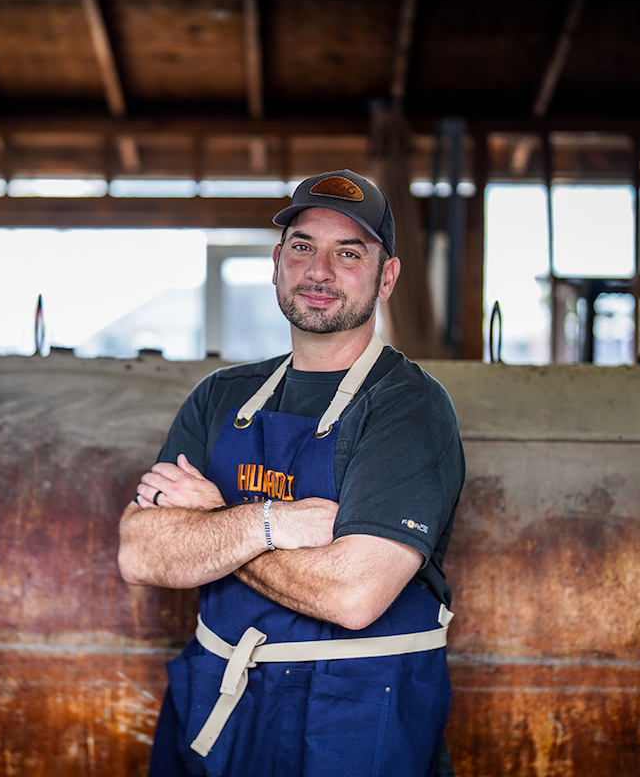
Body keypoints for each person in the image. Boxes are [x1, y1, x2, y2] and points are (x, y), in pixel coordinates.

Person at [117, 169, 465, 777]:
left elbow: (354, 595)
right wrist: (271, 523)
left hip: (353, 713)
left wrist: (211, 524)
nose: (319, 270)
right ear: (277, 264)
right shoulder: (221, 396)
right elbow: (140, 554)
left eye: (348, 253)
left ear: (387, 278)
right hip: (224, 700)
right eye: (302, 247)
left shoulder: (408, 407)